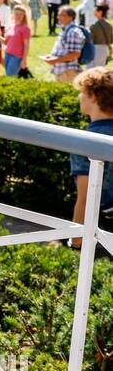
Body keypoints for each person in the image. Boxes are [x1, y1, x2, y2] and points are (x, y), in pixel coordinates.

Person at [68, 67, 113, 250]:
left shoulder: (85, 142)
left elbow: (86, 198)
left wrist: (76, 240)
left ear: (93, 96)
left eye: (82, 92)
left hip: (103, 230)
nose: (79, 97)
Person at [43, 6, 85, 84]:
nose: (59, 17)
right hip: (62, 70)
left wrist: (55, 60)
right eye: (59, 15)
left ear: (71, 17)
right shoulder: (66, 30)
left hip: (68, 71)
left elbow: (75, 54)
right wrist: (52, 56)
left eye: (63, 15)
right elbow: (63, 50)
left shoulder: (73, 32)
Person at [3, 3, 32, 76]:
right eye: (16, 14)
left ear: (24, 16)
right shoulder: (11, 26)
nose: (18, 16)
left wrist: (24, 60)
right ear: (13, 14)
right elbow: (5, 42)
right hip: (7, 55)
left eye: (21, 14)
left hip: (16, 57)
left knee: (10, 76)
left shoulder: (25, 28)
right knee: (7, 75)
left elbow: (26, 46)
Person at [91, 3, 113, 67]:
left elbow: (90, 39)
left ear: (100, 12)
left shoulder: (94, 24)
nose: (94, 11)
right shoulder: (109, 24)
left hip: (95, 49)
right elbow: (111, 40)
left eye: (95, 10)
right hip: (105, 49)